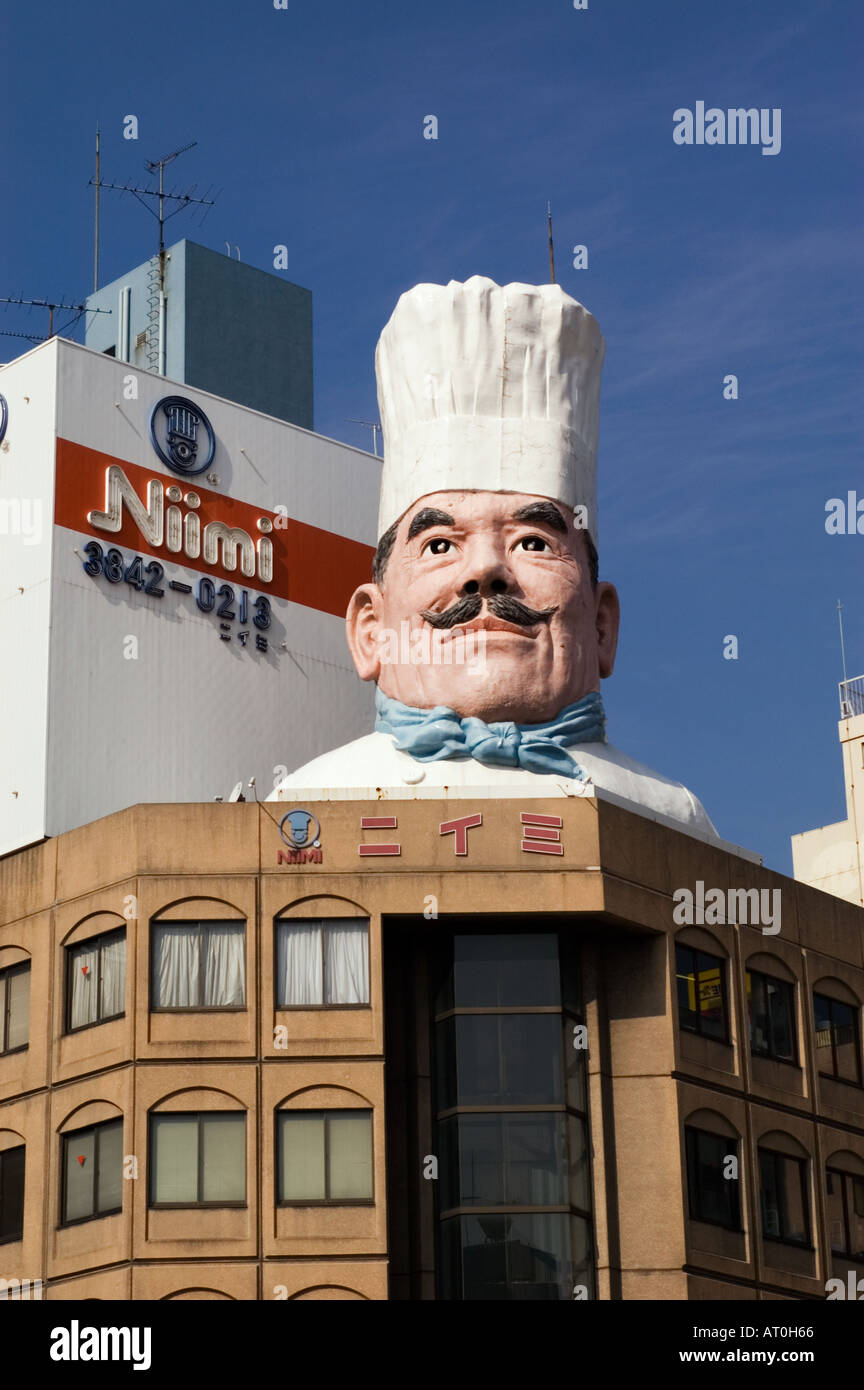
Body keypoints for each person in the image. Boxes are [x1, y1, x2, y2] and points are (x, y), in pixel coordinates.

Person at [270, 276, 720, 842]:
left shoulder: (672, 820)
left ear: (603, 625)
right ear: (370, 630)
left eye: (533, 541)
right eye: (440, 545)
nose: (485, 570)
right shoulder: (304, 808)